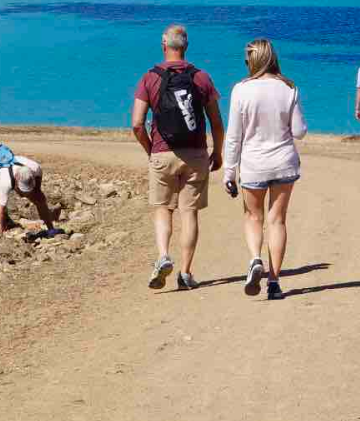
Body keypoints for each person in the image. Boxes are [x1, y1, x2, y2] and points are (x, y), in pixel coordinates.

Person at [131, 24, 225, 291]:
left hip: (162, 152)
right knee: (189, 213)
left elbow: (137, 123)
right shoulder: (202, 77)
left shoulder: (150, 77)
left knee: (163, 209)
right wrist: (217, 152)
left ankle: (163, 256)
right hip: (195, 154)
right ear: (186, 46)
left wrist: (151, 149)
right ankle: (185, 272)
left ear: (164, 45)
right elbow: (216, 122)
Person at [223, 38, 307, 301]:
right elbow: (299, 131)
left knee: (253, 217)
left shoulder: (241, 90)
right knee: (278, 220)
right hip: (284, 162)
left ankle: (255, 259)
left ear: (253, 61)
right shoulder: (289, 88)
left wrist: (229, 172)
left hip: (253, 165)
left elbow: (234, 136)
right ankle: (274, 281)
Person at [0, 153, 57, 235]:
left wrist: (35, 196)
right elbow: (0, 209)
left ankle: (51, 229)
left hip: (13, 171)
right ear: (16, 180)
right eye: (21, 189)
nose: (23, 194)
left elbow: (38, 192)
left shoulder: (36, 169)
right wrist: (0, 235)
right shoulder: (6, 181)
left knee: (39, 199)